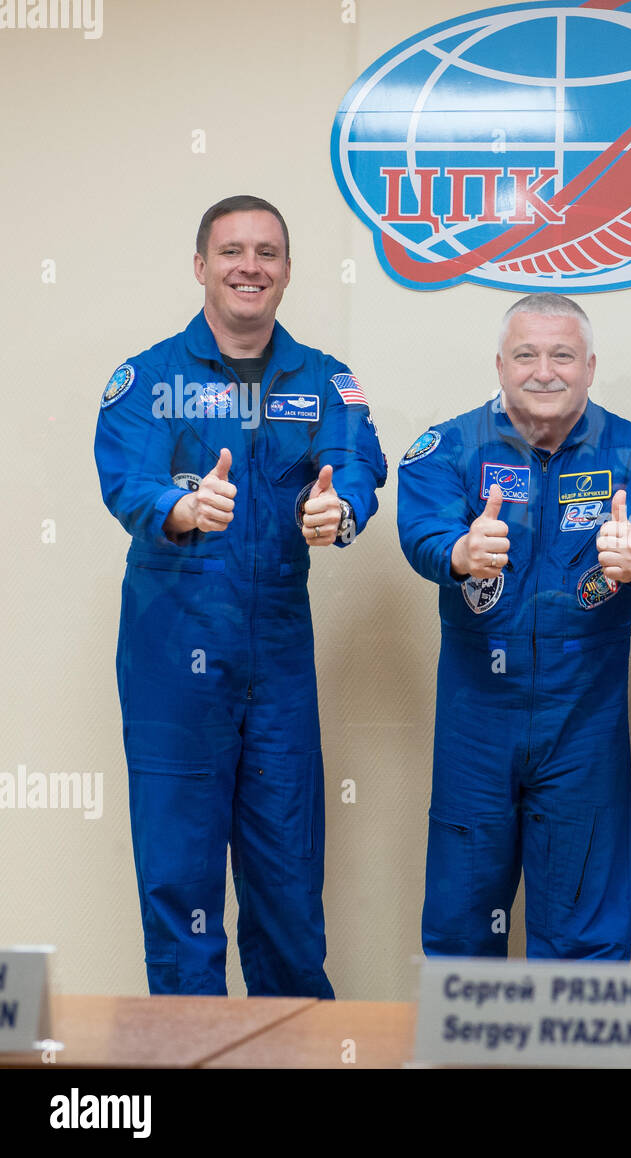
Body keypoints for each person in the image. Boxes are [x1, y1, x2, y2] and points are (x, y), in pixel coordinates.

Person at [94, 195, 387, 997]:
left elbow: (356, 461)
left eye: (266, 252)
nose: (249, 266)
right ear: (200, 266)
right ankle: (189, 1053)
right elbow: (128, 477)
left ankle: (292, 1049)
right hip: (173, 647)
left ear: (287, 273)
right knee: (181, 882)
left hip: (279, 650)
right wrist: (178, 510)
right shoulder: (152, 377)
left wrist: (342, 509)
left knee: (288, 878)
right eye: (231, 251)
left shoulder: (326, 378)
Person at [398, 293, 631, 960]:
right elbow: (422, 527)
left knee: (583, 930)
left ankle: (573, 1064)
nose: (544, 371)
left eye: (562, 355)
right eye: (526, 354)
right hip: (478, 717)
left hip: (583, 719)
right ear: (500, 365)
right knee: (462, 922)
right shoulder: (448, 446)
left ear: (590, 366)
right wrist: (459, 553)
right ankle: (467, 1060)